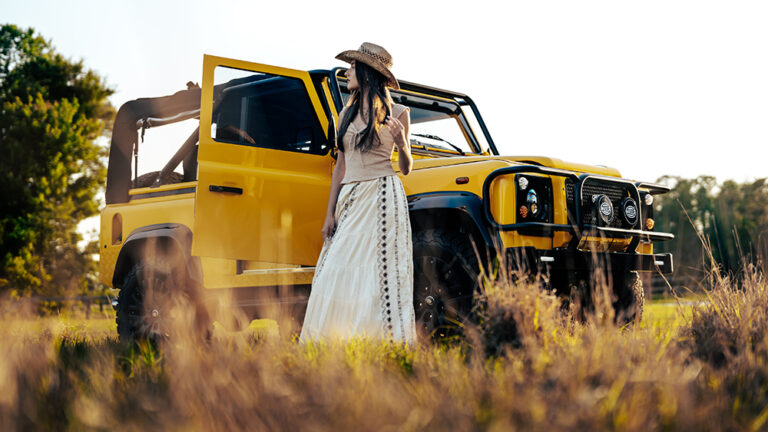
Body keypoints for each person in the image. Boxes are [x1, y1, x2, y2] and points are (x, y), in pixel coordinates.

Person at [299, 42, 416, 344]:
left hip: (382, 197)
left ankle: (378, 345)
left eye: (353, 66)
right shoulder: (345, 114)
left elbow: (405, 168)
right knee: (334, 270)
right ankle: (335, 342)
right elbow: (340, 166)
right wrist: (329, 214)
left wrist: (402, 144)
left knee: (377, 275)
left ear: (366, 73)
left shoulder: (399, 113)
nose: (347, 70)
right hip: (350, 200)